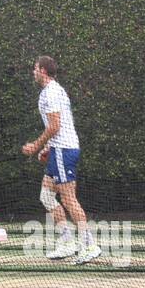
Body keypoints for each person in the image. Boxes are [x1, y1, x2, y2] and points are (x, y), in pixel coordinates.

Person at [22, 55, 99, 264]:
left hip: (65, 151)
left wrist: (35, 146)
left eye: (35, 68)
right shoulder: (49, 92)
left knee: (68, 199)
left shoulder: (53, 92)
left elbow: (55, 126)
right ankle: (67, 243)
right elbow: (58, 126)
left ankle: (89, 245)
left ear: (43, 71)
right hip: (58, 150)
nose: (33, 71)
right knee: (46, 196)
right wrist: (47, 148)